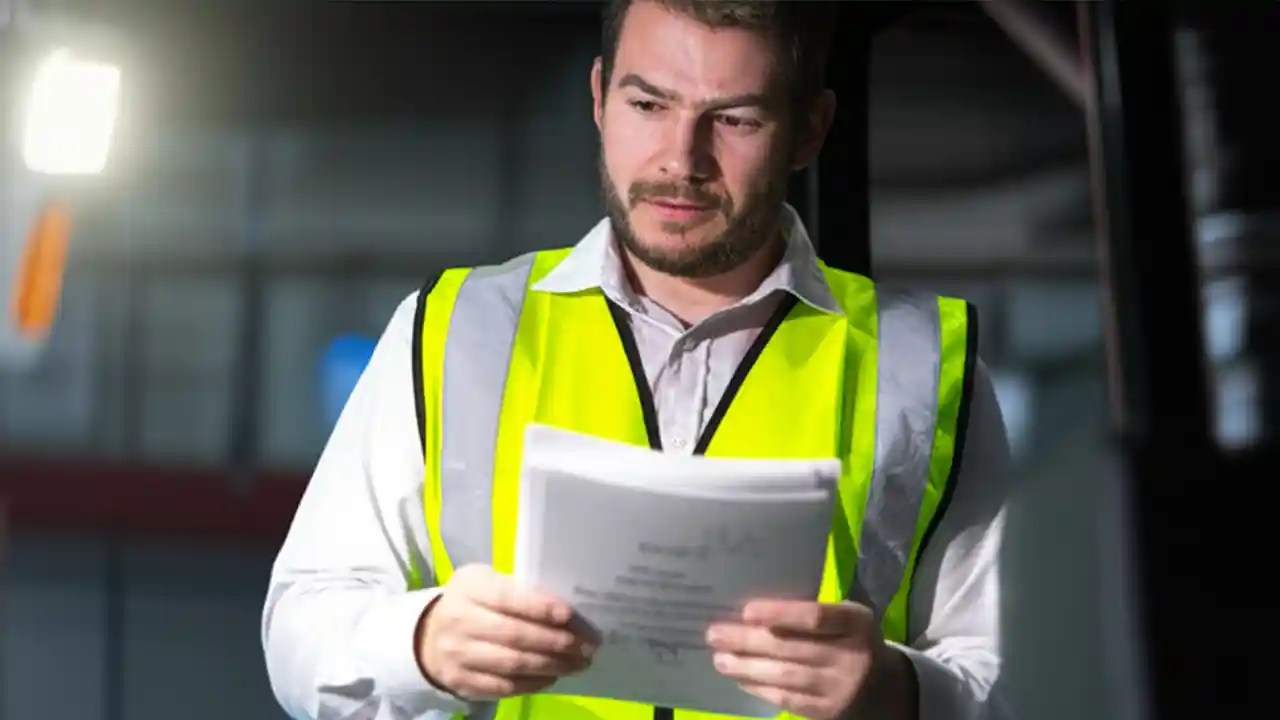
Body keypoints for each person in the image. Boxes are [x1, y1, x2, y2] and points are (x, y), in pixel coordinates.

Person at [262, 1, 1014, 719]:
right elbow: (301, 625)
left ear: (810, 130)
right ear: (599, 96)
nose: (681, 160)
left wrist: (891, 690)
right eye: (648, 105)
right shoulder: (453, 328)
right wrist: (420, 644)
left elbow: (1012, 679)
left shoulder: (926, 362)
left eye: (735, 118)